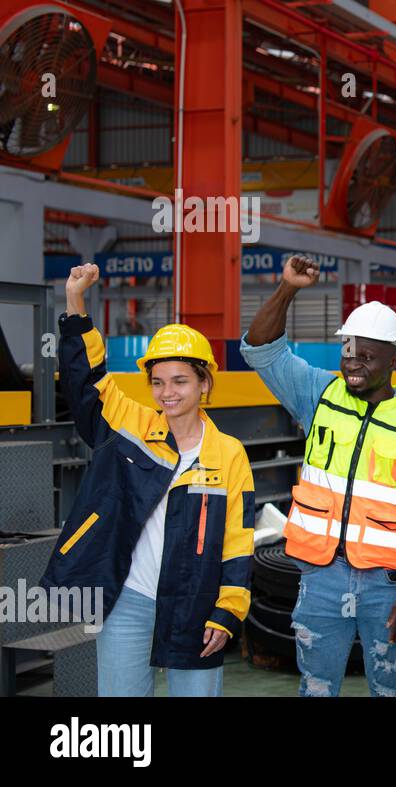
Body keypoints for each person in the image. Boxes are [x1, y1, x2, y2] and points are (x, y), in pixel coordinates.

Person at [241, 255, 396, 697]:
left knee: (388, 690)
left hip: (387, 584)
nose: (352, 362)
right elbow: (260, 348)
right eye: (347, 351)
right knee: (316, 689)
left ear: (394, 357)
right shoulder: (318, 393)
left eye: (365, 354)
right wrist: (288, 287)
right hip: (320, 576)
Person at [41, 263, 255, 696]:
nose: (167, 392)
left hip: (197, 605)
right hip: (129, 599)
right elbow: (86, 382)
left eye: (179, 380)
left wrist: (228, 611)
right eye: (157, 382)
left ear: (204, 383)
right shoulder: (129, 426)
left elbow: (238, 542)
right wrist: (75, 303)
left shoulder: (228, 453)